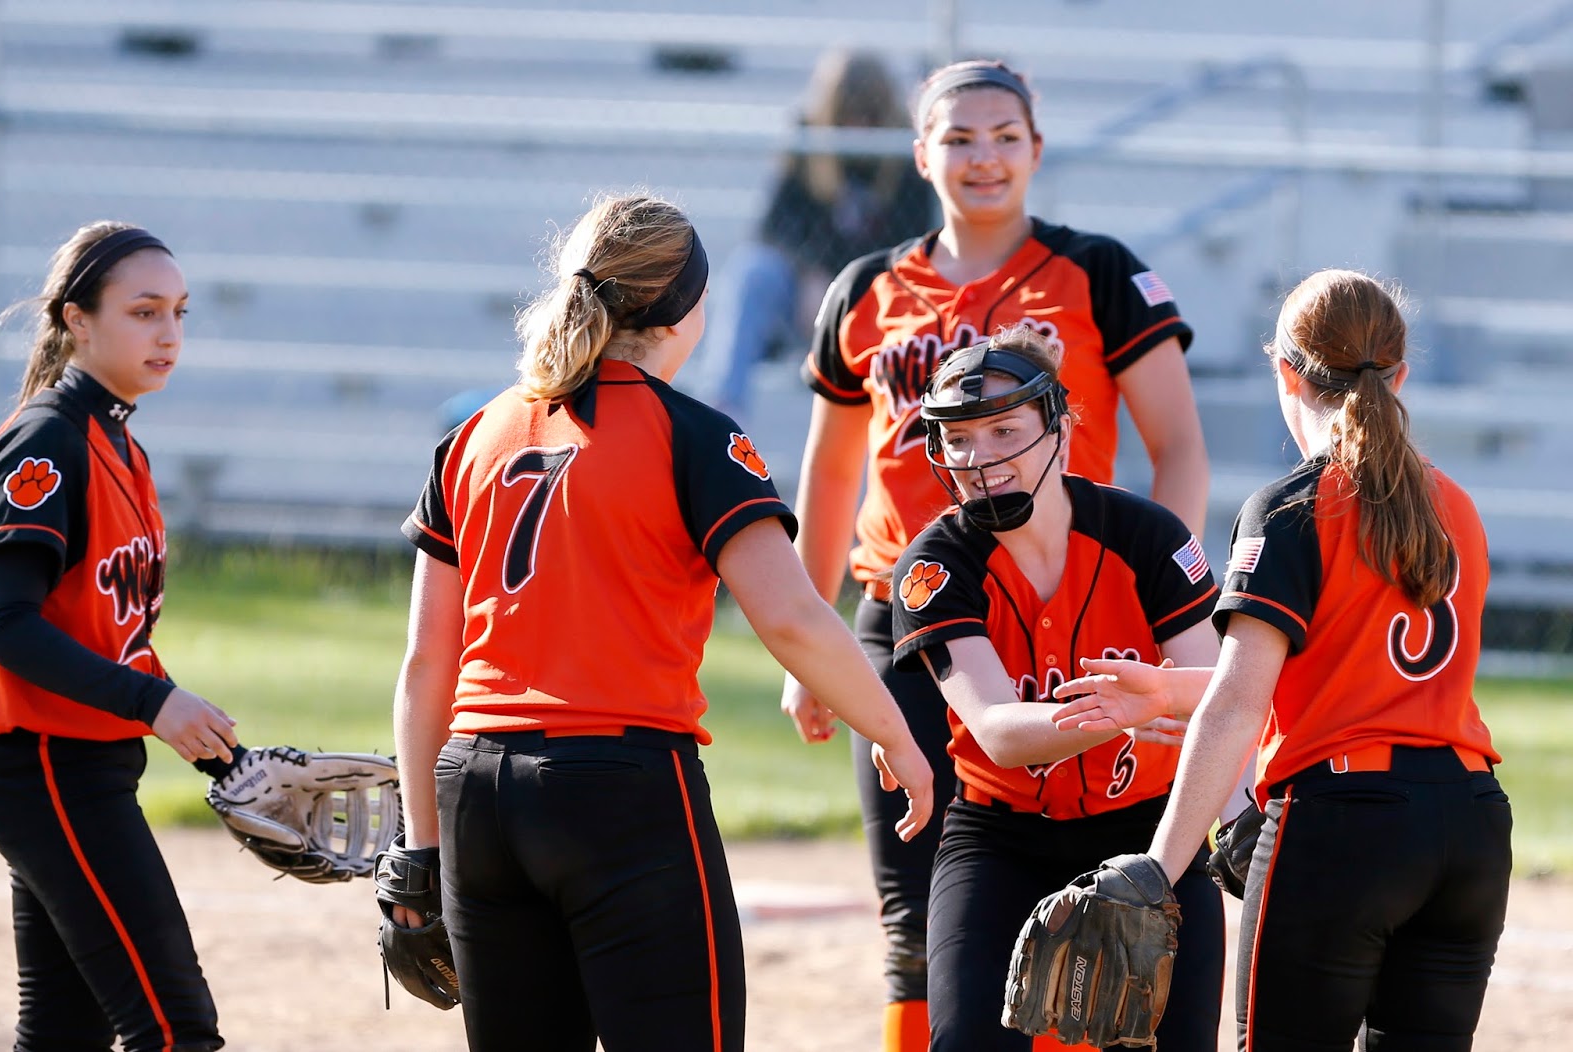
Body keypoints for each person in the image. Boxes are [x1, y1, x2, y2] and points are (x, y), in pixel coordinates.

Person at [389, 193, 934, 1052]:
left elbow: (428, 664)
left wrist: (418, 849)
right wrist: (897, 736)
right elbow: (791, 619)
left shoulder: (476, 436)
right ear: (685, 309)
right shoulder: (692, 436)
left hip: (474, 791)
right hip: (619, 786)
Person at [779, 57, 1210, 1051]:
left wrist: (1159, 597)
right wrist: (812, 643)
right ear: (921, 152)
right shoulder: (869, 289)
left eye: (1003, 136)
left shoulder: (1095, 271)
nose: (982, 158)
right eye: (959, 137)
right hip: (912, 610)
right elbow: (833, 477)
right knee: (919, 906)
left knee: (1091, 878)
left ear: (1036, 150)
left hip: (1075, 599)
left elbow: (1178, 445)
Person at [1051, 269, 1511, 1049]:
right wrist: (1166, 691)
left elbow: (1239, 703)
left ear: (1285, 372)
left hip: (1345, 827)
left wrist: (1157, 872)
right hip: (1468, 827)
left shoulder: (1294, 504)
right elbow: (1355, 674)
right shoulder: (1454, 505)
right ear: (1398, 374)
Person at [888, 329, 1224, 1051]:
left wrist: (1167, 697)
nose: (981, 459)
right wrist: (1138, 706)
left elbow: (1219, 688)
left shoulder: (1145, 536)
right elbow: (1001, 734)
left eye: (1006, 429)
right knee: (967, 1039)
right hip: (998, 839)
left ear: (1061, 430)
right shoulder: (935, 563)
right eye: (961, 438)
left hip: (1149, 836)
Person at [0, 222, 239, 1051]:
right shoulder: (48, 439)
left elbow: (104, 632)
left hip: (79, 759)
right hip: (44, 760)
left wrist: (210, 741)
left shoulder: (118, 440)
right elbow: (4, 624)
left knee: (61, 1033)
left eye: (180, 313)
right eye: (144, 311)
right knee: (174, 1028)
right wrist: (152, 701)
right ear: (76, 319)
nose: (169, 333)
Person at [690, 48, 936, 418]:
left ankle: (913, 422)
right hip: (805, 299)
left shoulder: (904, 154)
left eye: (868, 118)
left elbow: (914, 245)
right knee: (752, 271)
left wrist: (846, 286)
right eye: (847, 118)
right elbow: (773, 229)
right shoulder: (807, 139)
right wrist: (812, 272)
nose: (858, 128)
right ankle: (720, 413)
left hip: (876, 303)